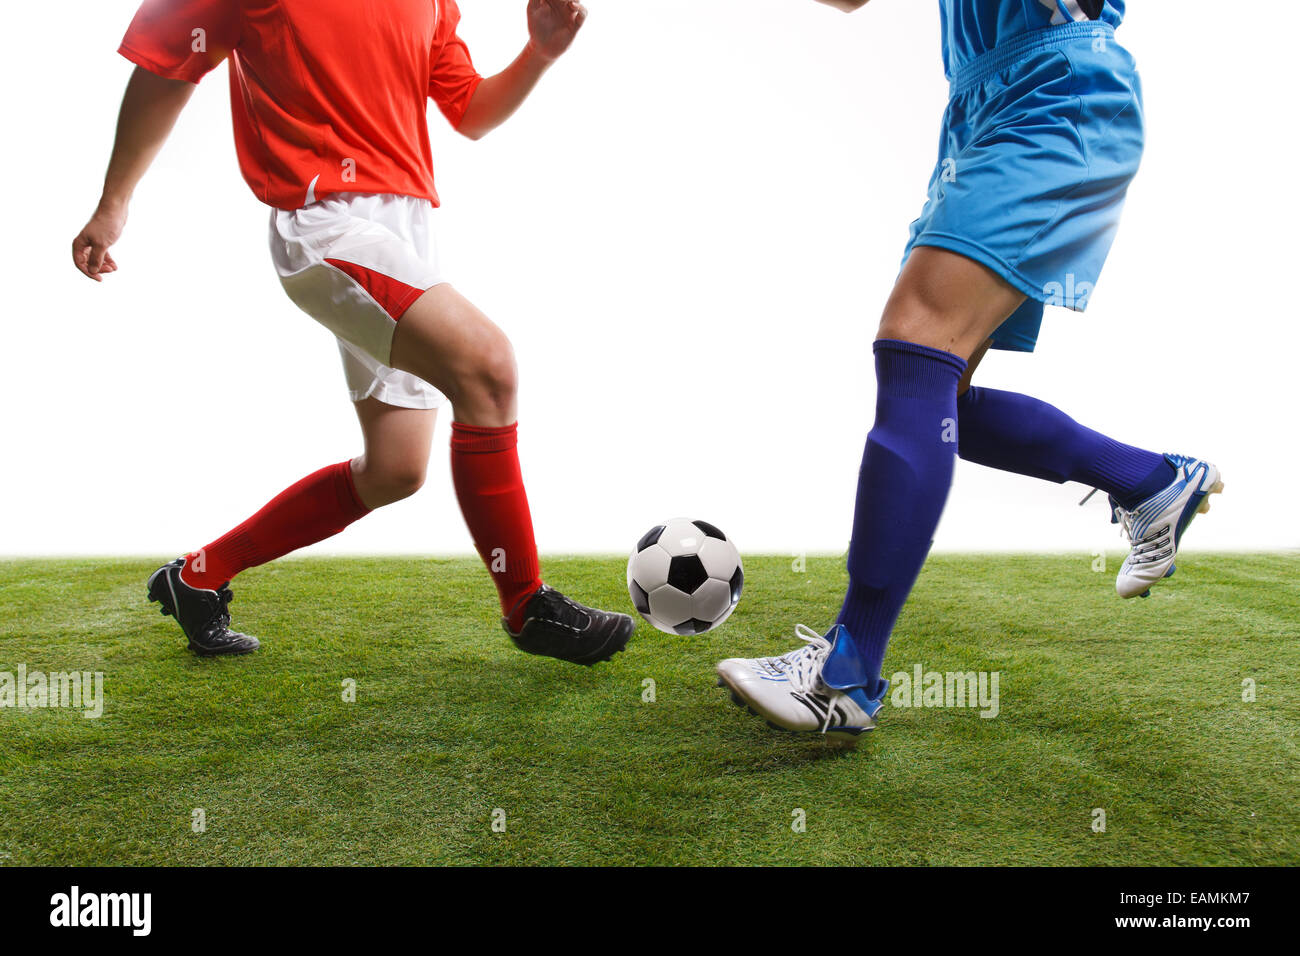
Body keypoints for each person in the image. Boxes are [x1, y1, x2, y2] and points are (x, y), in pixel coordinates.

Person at [716, 0, 1222, 740]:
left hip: (1056, 86)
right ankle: (1151, 480)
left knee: (914, 349)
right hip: (990, 100)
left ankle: (845, 675)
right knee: (939, 390)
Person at [72, 0, 634, 665]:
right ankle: (528, 606)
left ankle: (195, 575)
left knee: (394, 470)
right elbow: (167, 66)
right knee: (489, 367)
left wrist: (539, 53)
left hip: (405, 229)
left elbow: (470, 111)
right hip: (325, 222)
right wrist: (113, 204)